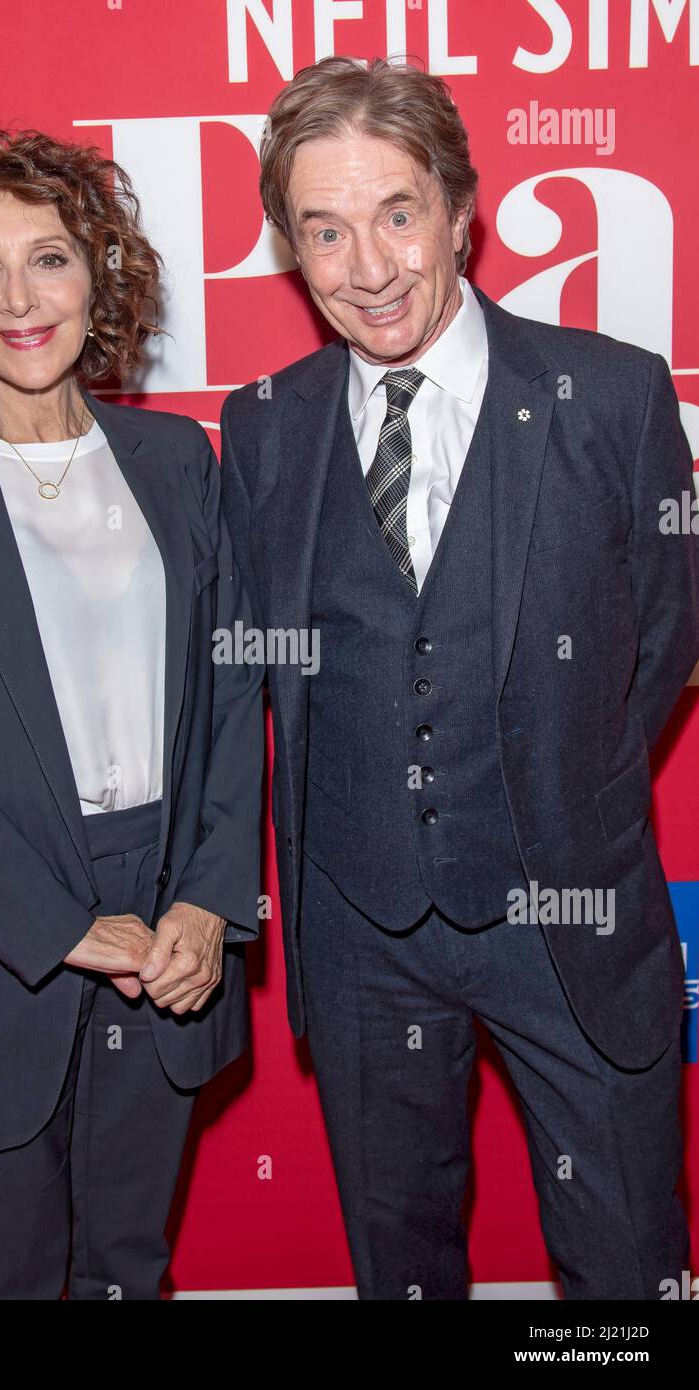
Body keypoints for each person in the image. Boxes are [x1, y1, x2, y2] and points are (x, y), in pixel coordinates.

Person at [218, 56, 699, 1299]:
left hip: (566, 917)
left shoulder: (610, 395)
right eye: (323, 230)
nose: (367, 268)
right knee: (399, 1271)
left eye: (395, 214)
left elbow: (662, 636)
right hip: (358, 926)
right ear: (288, 245)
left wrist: (560, 778)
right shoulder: (264, 422)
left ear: (459, 208)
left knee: (624, 1273)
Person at [0, 128, 264, 1300]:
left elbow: (230, 689)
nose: (21, 298)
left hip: (164, 903)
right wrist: (60, 923)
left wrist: (208, 896)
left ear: (100, 276)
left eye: (51, 258)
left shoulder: (178, 459)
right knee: (9, 1278)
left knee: (129, 1263)